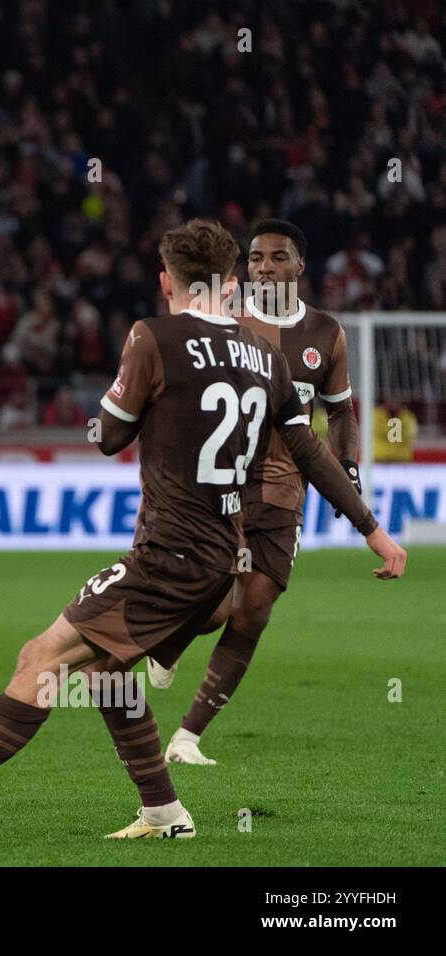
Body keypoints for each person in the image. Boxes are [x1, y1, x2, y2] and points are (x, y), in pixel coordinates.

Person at [0, 220, 404, 838]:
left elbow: (108, 436)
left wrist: (135, 393)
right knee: (105, 671)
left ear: (166, 281)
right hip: (222, 552)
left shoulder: (153, 336)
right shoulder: (265, 355)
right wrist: (373, 530)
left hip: (169, 554)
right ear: (231, 284)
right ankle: (163, 811)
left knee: (42, 657)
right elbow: (309, 450)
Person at [150, 219, 364, 765]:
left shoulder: (326, 333)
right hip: (222, 483)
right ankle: (168, 640)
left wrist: (348, 469)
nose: (264, 267)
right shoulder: (225, 320)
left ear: (300, 266)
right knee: (216, 607)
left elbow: (341, 411)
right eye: (255, 258)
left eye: (277, 257)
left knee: (255, 610)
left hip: (284, 492)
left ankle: (188, 737)